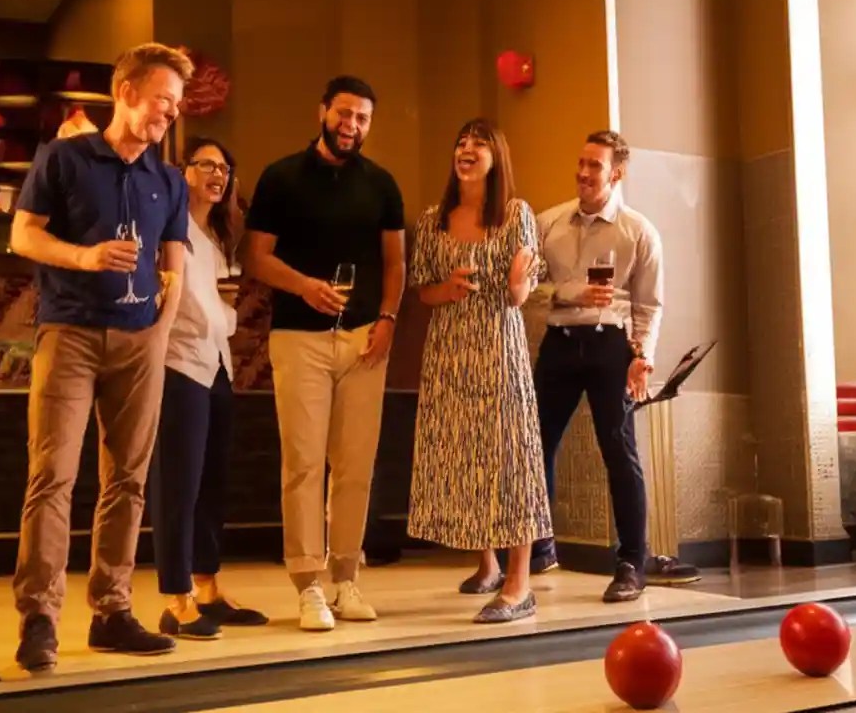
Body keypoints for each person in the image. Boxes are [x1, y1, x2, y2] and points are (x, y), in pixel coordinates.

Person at [8, 43, 193, 671]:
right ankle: (39, 616)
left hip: (140, 340)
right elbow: (22, 234)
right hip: (71, 333)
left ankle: (112, 610)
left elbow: (175, 265)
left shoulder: (168, 181)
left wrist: (160, 332)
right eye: (163, 99)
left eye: (177, 104)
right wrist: (84, 257)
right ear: (127, 91)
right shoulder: (64, 159)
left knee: (128, 480)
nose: (171, 112)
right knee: (53, 475)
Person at [243, 75, 406, 631]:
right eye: (343, 113)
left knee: (356, 467)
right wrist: (304, 286)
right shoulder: (281, 177)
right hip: (298, 337)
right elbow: (256, 258)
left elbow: (395, 264)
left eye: (362, 118)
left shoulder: (382, 184)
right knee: (304, 464)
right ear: (323, 112)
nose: (351, 125)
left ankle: (345, 577)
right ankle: (308, 583)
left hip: (365, 338)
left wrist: (387, 319)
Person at [532, 130, 700, 603]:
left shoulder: (639, 231)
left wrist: (642, 357)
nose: (584, 173)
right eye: (581, 162)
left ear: (617, 173)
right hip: (560, 342)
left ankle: (631, 561)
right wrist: (570, 293)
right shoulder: (547, 224)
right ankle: (538, 546)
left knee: (619, 453)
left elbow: (649, 305)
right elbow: (528, 292)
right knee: (535, 446)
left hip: (612, 347)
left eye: (595, 166)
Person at [407, 119, 550, 624]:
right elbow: (422, 288)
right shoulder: (432, 220)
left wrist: (514, 282)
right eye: (460, 142)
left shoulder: (516, 214)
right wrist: (444, 290)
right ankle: (486, 564)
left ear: (497, 158)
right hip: (448, 350)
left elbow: (521, 295)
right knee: (464, 452)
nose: (465, 149)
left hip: (497, 347)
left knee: (510, 458)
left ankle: (519, 583)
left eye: (478, 144)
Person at [149, 136, 268, 641]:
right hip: (178, 363)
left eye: (225, 168)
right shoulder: (168, 230)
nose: (217, 176)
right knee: (179, 485)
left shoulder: (217, 238)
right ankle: (176, 599)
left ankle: (208, 586)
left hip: (217, 364)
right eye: (206, 166)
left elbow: (223, 308)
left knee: (212, 482)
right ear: (182, 172)